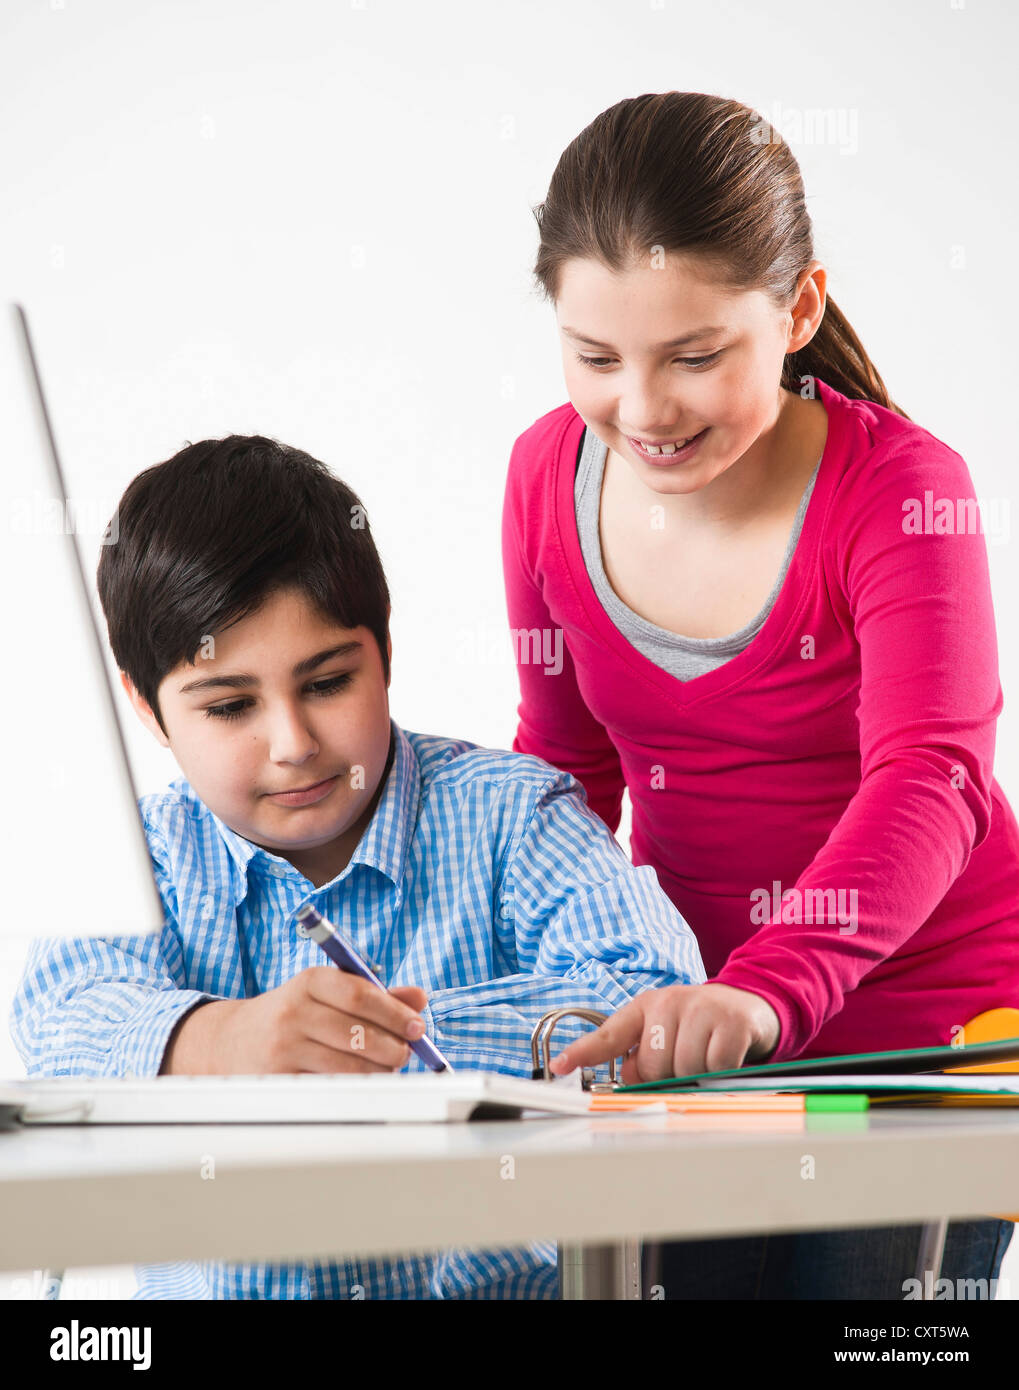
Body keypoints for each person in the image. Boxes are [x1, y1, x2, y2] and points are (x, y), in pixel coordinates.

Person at [501, 90, 1018, 1298]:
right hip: (697, 1033)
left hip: (924, 1038)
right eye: (594, 358)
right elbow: (562, 775)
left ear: (796, 310)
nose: (640, 410)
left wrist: (763, 990)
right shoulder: (542, 479)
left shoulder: (899, 491)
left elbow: (931, 779)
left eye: (692, 357)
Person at [9, 434, 705, 1300]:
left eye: (329, 682)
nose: (294, 745)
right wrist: (227, 1041)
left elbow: (648, 987)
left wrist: (374, 1046)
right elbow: (61, 1031)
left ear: (383, 651)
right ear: (147, 711)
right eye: (229, 705)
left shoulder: (509, 814)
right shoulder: (141, 856)